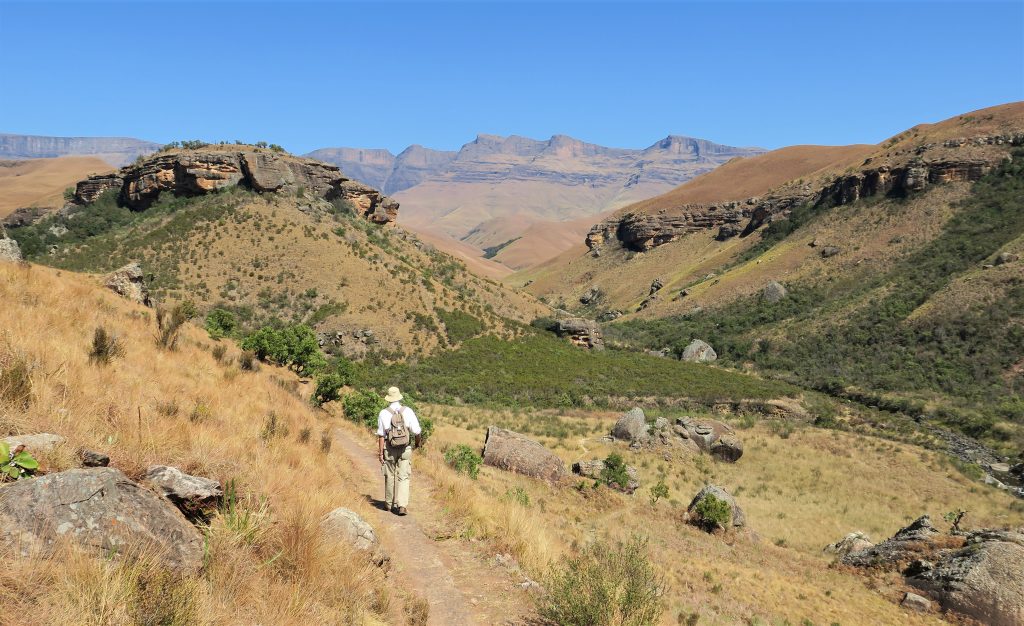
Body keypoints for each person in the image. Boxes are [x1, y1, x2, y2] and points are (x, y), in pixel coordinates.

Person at [377, 386, 422, 515]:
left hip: (389, 448)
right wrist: (417, 444)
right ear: (399, 397)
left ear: (388, 399)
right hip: (405, 448)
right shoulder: (408, 411)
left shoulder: (383, 413)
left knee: (389, 475)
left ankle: (389, 504)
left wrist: (380, 453)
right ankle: (402, 505)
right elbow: (417, 431)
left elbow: (381, 435)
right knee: (404, 477)